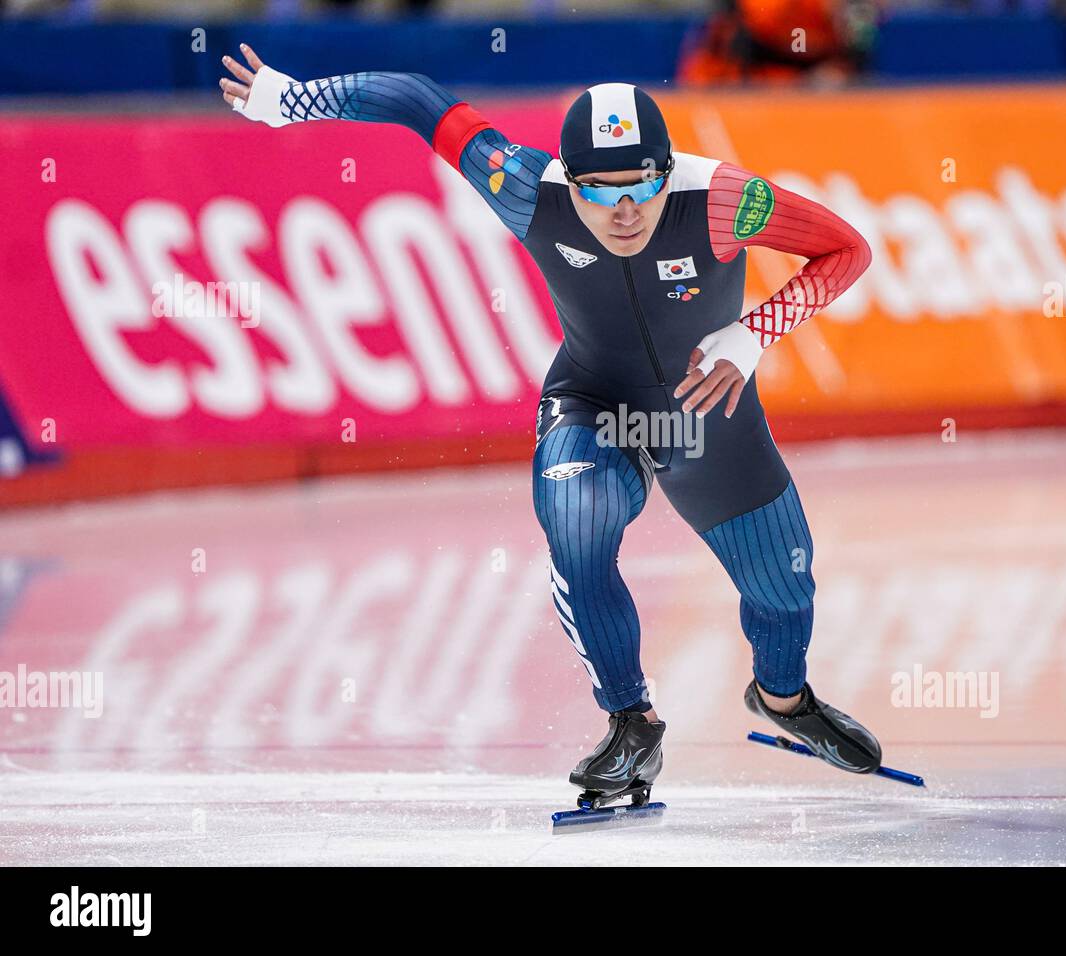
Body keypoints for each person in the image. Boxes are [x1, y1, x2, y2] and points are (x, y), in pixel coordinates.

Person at [220, 44, 882, 808]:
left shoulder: (726, 199)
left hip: (704, 410)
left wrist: (756, 331)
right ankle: (630, 722)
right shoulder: (523, 186)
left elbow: (846, 249)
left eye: (645, 185)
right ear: (570, 180)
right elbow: (415, 97)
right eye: (603, 192)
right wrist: (290, 100)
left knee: (785, 592)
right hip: (594, 398)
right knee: (577, 514)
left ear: (669, 168)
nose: (627, 210)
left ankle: (785, 700)